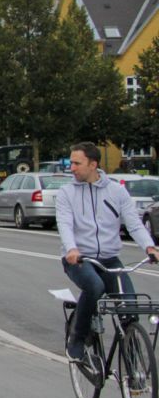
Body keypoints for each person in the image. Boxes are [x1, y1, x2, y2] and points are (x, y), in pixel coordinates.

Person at [56, 142, 159, 361]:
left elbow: (133, 223)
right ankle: (77, 339)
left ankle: (134, 368)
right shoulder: (66, 193)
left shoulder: (116, 191)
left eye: (77, 163)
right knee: (95, 286)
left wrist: (149, 247)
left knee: (130, 309)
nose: (72, 168)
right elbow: (64, 224)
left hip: (110, 259)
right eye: (71, 163)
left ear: (93, 164)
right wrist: (72, 249)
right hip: (80, 259)